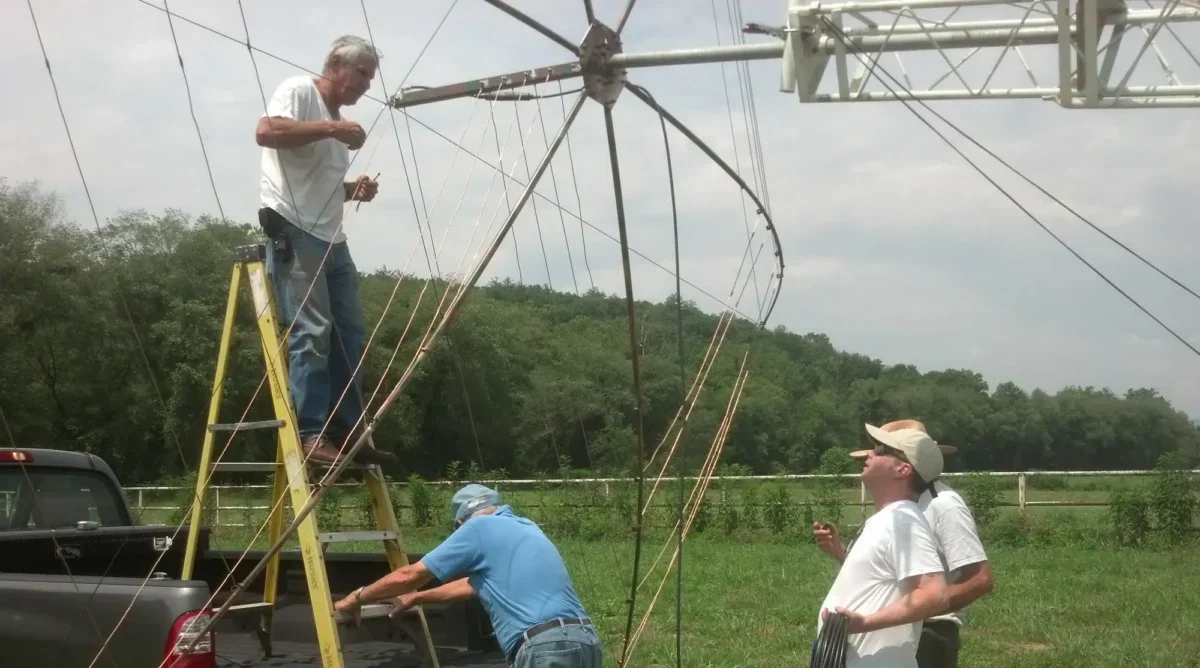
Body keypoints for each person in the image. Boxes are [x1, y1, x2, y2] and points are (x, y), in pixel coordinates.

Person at [255, 35, 393, 466]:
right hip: (295, 232)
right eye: (362, 73)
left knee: (349, 334)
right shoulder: (300, 91)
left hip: (332, 239)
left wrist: (354, 190)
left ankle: (349, 431)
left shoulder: (336, 123)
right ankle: (313, 433)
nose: (367, 85)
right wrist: (334, 127)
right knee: (312, 333)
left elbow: (323, 186)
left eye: (371, 77)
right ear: (335, 64)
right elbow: (266, 131)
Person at [332, 484, 603, 667]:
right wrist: (417, 599)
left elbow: (409, 575)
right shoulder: (525, 526)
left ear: (461, 523)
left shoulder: (478, 528)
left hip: (547, 649)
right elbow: (474, 585)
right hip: (585, 641)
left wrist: (357, 597)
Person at [814, 420, 993, 668]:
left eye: (880, 450)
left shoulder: (918, 513)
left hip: (928, 636)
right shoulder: (891, 516)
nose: (869, 454)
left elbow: (946, 590)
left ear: (903, 469)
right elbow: (883, 576)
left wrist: (886, 618)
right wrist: (841, 553)